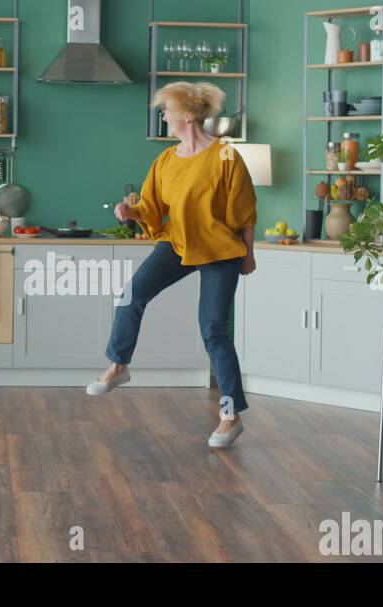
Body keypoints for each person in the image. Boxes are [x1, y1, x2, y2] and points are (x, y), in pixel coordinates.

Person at [86, 82, 258, 448]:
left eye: (166, 111)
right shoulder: (165, 160)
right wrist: (130, 212)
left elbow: (244, 211)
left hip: (220, 249)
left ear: (187, 115)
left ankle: (230, 415)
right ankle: (119, 365)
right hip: (177, 243)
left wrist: (248, 253)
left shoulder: (226, 156)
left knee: (214, 330)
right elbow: (150, 206)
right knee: (131, 294)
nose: (163, 117)